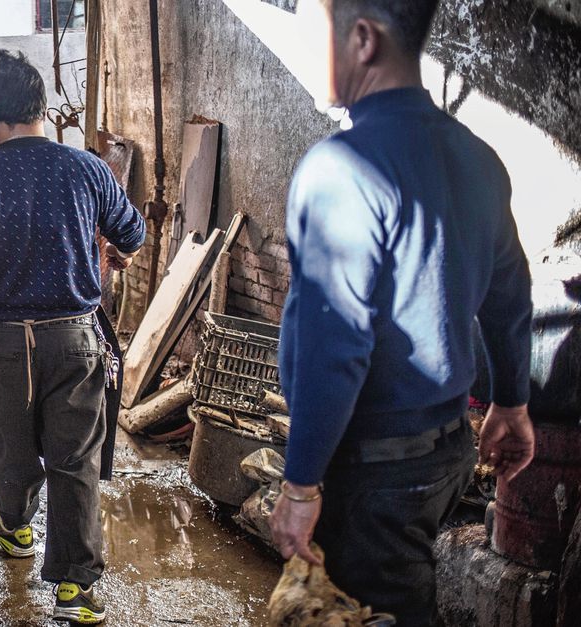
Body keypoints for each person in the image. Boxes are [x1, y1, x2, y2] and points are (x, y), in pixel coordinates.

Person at [269, 1, 536, 624]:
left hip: (374, 470)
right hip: (443, 454)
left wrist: (300, 485)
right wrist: (513, 402)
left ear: (362, 39)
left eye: (318, 27)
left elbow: (335, 346)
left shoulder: (341, 168)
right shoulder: (478, 157)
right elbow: (509, 292)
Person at [0, 50, 145, 625]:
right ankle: (75, 591)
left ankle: (17, 527)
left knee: (10, 448)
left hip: (1, 344)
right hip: (75, 339)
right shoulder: (89, 170)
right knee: (75, 463)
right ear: (42, 110)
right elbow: (133, 233)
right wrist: (105, 243)